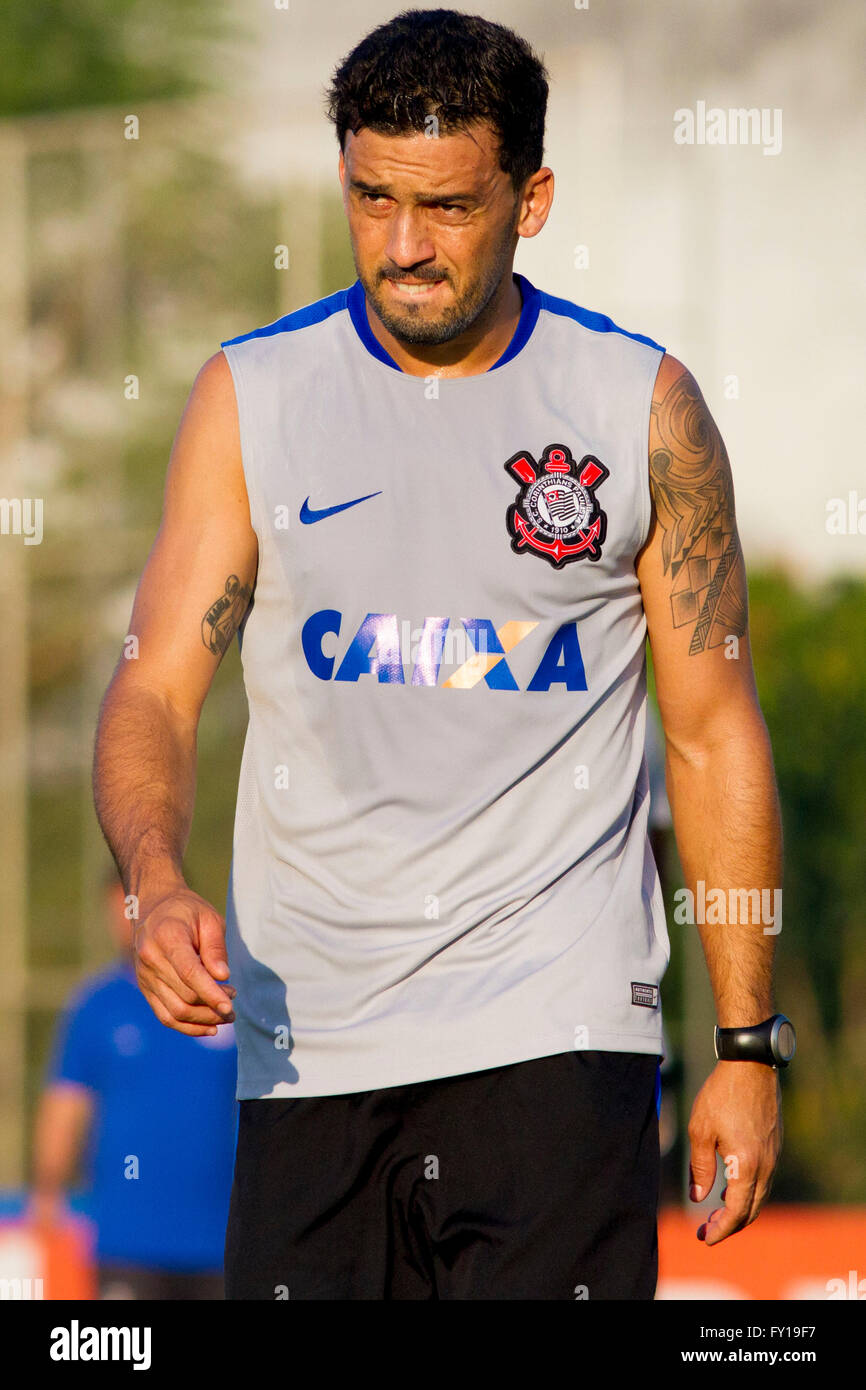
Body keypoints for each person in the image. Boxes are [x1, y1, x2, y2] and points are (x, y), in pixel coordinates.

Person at [92, 9, 790, 1300]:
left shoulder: (636, 408)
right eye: (370, 198)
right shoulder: (255, 394)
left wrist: (746, 1042)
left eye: (446, 206)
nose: (402, 246)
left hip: (554, 1033)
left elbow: (709, 731)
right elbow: (155, 685)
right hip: (310, 1041)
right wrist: (152, 872)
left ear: (529, 200)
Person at [31, 865, 238, 1299]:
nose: (126, 921)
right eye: (118, 909)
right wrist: (48, 1190)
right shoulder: (96, 1005)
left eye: (135, 907)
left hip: (224, 1242)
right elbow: (66, 1104)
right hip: (127, 1245)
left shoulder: (226, 995)